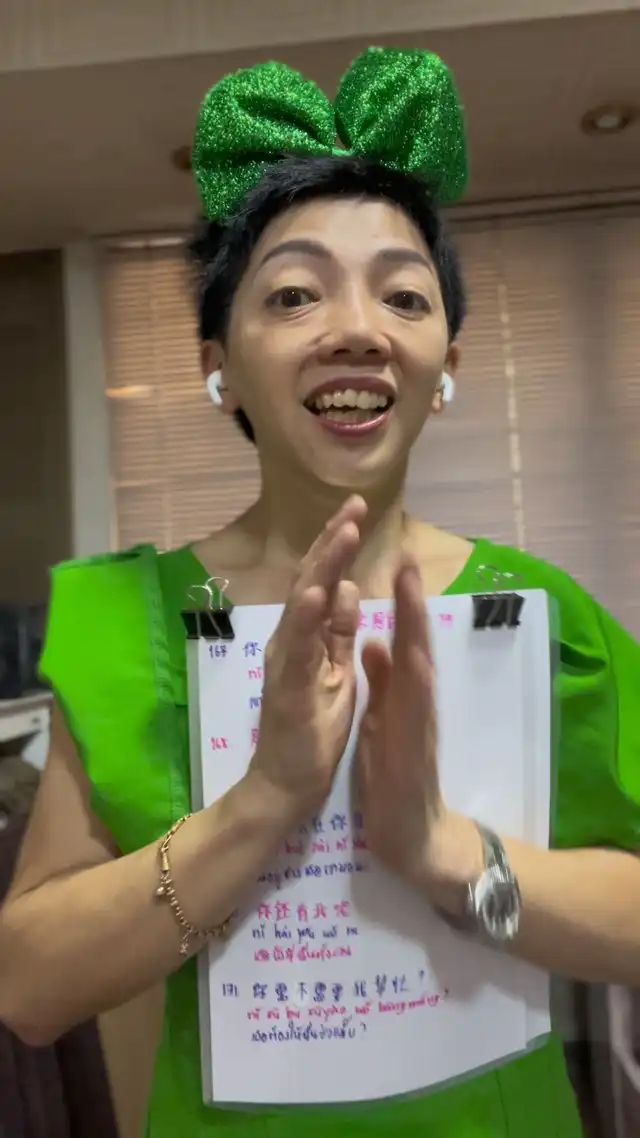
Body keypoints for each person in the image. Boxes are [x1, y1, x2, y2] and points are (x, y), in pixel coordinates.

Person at [1, 45, 639, 1138]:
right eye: (294, 293)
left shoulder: (536, 615)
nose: (357, 328)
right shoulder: (125, 626)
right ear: (218, 364)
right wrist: (264, 801)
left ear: (445, 365)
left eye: (403, 294)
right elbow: (29, 987)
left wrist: (445, 853)